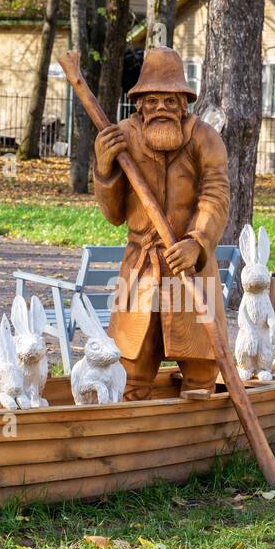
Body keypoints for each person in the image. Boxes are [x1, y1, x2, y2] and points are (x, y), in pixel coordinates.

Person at [92, 47, 231, 400]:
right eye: (152, 100)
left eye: (170, 100)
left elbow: (216, 195)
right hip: (140, 270)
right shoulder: (122, 138)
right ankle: (134, 437)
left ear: (184, 102)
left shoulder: (205, 139)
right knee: (130, 369)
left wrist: (198, 242)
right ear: (138, 103)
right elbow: (113, 215)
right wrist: (105, 170)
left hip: (192, 270)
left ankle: (199, 439)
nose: (161, 108)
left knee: (201, 369)